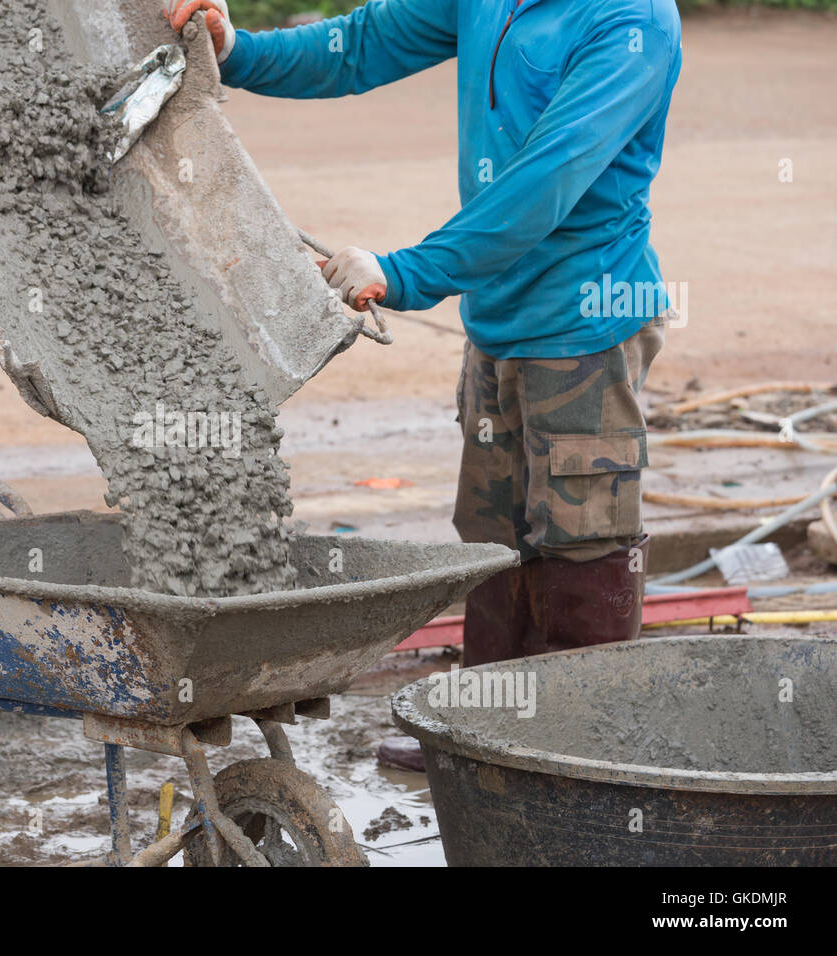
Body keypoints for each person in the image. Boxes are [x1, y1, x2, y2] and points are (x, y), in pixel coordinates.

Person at [167, 0, 680, 767]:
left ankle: (589, 763)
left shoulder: (630, 23)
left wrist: (407, 272)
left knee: (583, 543)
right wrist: (238, 52)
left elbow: (548, 176)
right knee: (492, 537)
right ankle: (483, 746)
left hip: (587, 328)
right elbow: (362, 45)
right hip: (498, 319)